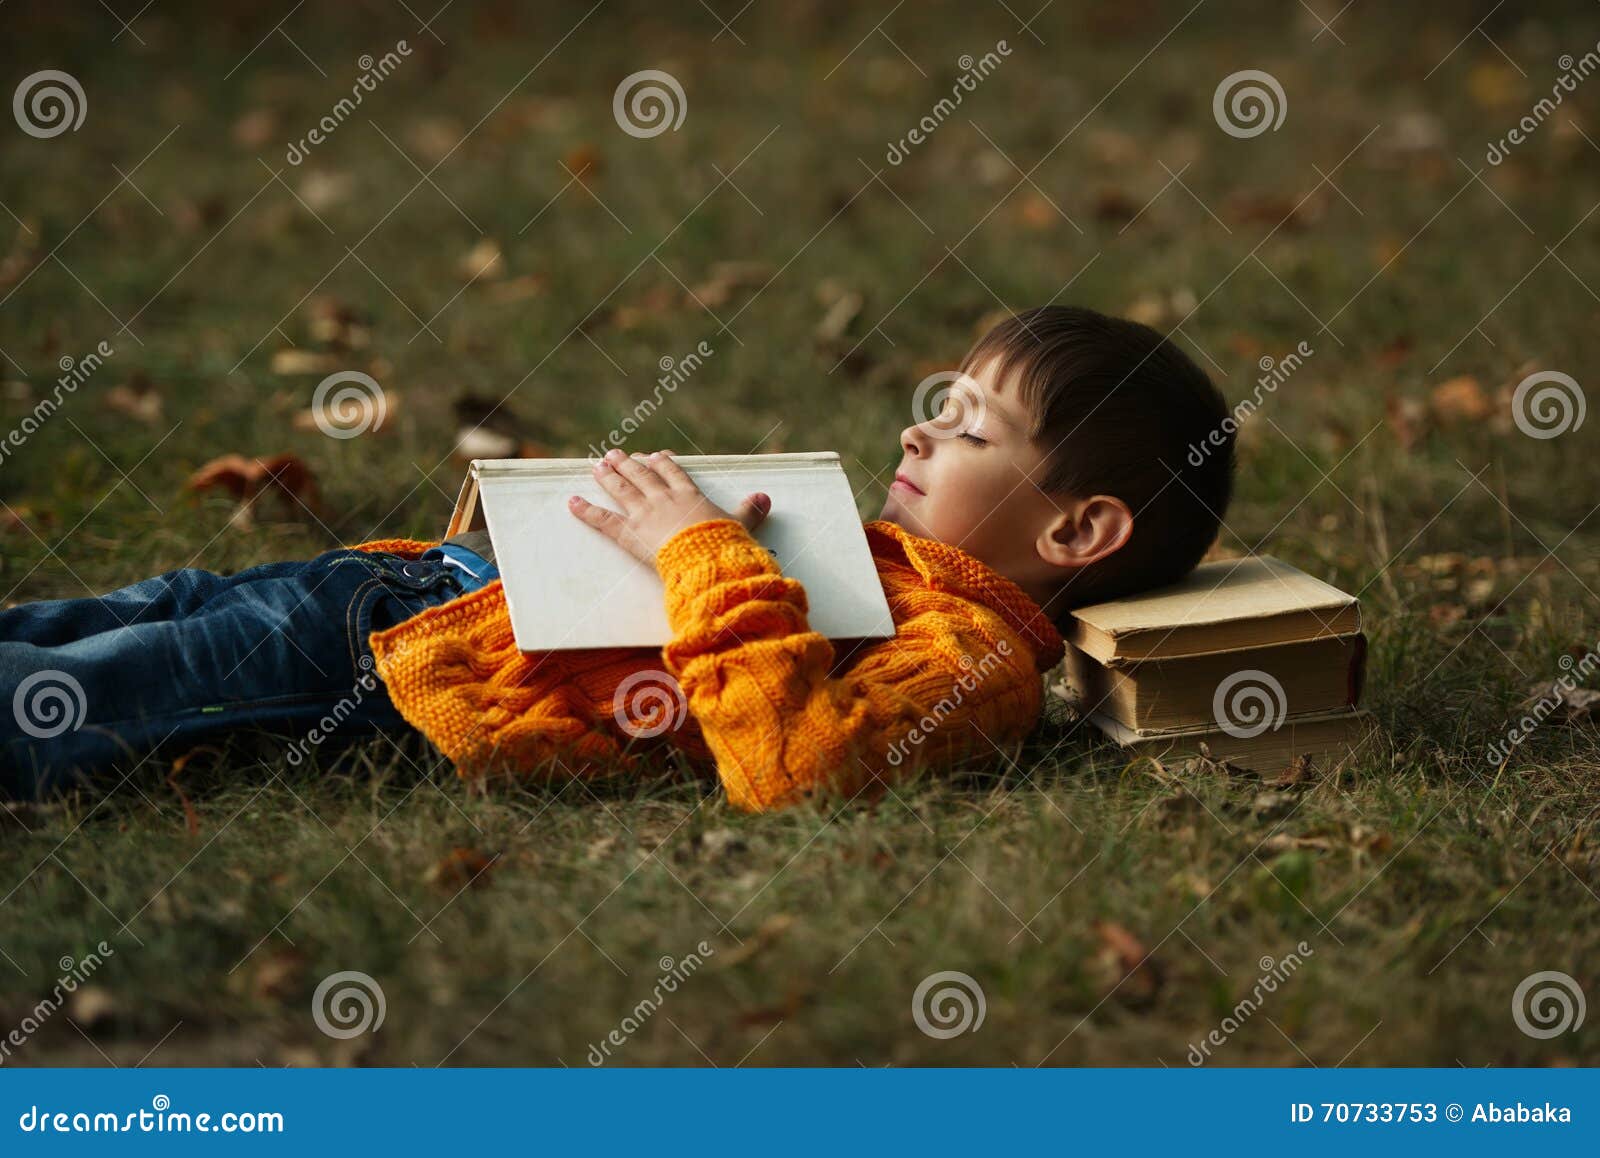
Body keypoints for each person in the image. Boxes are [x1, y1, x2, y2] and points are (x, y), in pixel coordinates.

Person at [1, 306, 1235, 810]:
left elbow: (797, 762)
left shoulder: (971, 659)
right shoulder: (896, 556)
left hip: (369, 672)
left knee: (122, 678)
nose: (922, 426)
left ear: (1077, 531)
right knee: (111, 616)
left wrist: (696, 545)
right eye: (940, 402)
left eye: (973, 427)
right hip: (406, 589)